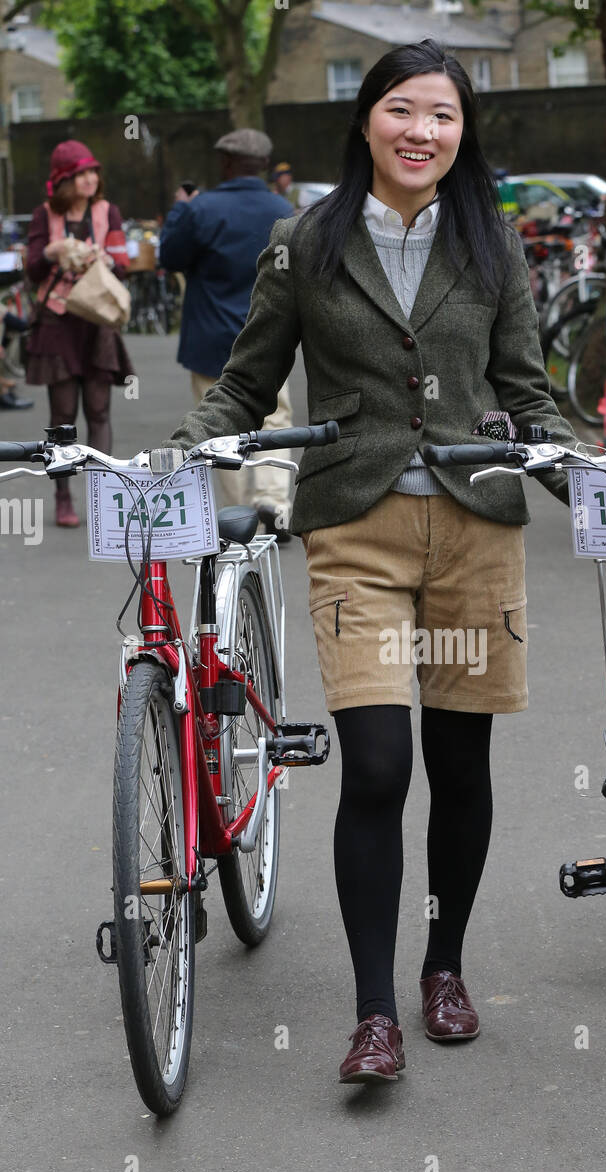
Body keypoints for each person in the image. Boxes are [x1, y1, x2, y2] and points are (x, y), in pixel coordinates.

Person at [157, 39, 581, 1086]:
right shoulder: (305, 240)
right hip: (356, 524)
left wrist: (588, 474)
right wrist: (187, 448)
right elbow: (246, 381)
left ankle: (443, 966)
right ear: (365, 122)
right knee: (378, 766)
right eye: (401, 110)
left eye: (441, 114)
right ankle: (372, 1011)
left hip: (476, 524)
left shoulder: (493, 246)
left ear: (461, 130)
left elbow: (526, 391)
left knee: (461, 767)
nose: (420, 131)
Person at [159, 129, 295, 540]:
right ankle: (273, 500)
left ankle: (241, 513)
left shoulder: (202, 209)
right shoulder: (282, 208)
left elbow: (169, 256)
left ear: (225, 164)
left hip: (211, 335)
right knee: (275, 417)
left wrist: (181, 209)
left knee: (219, 424)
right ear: (266, 166)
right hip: (272, 334)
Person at [25, 140, 133, 527]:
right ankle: (63, 497)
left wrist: (104, 259)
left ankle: (104, 497)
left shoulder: (108, 211)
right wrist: (55, 249)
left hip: (97, 320)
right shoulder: (43, 215)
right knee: (63, 414)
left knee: (100, 411)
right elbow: (33, 269)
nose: (91, 179)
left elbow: (124, 263)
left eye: (93, 172)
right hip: (58, 323)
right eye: (82, 173)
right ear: (65, 180)